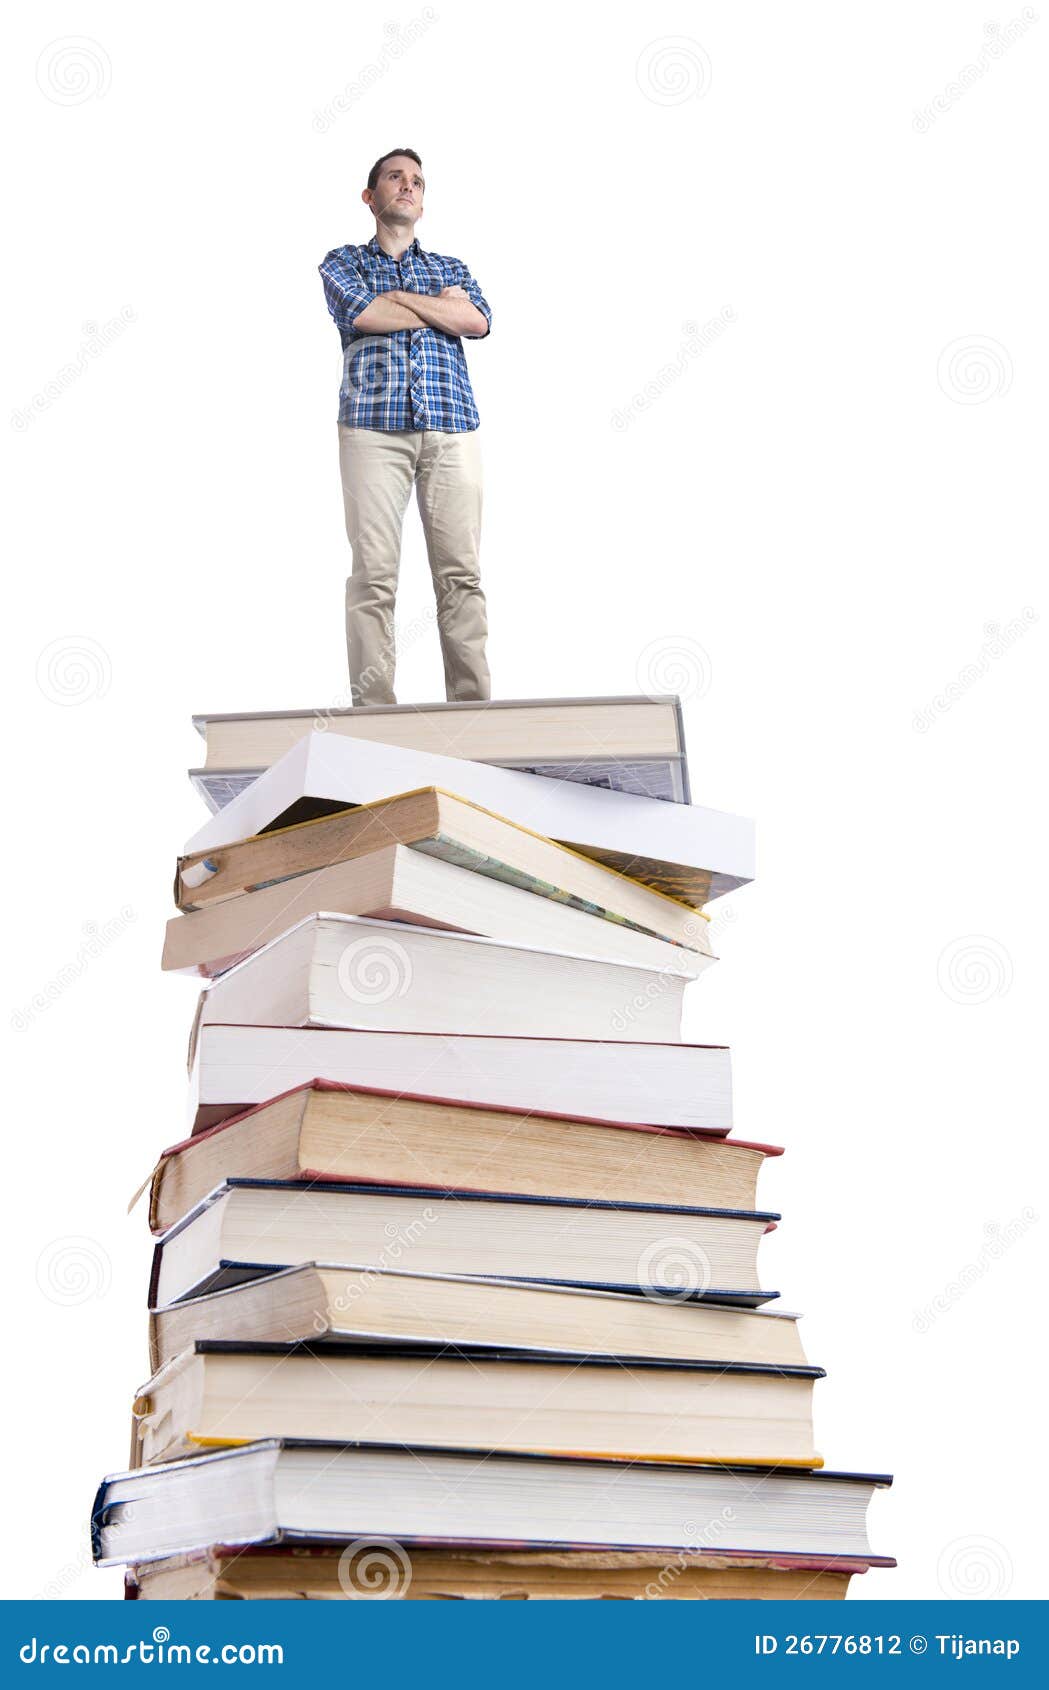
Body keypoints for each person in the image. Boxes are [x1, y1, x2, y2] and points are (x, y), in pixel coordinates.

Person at [319, 148, 493, 706]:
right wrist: (434, 308)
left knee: (460, 576)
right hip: (372, 431)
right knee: (373, 578)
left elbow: (477, 320)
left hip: (451, 428)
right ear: (370, 197)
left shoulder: (452, 268)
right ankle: (374, 718)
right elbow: (364, 314)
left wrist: (397, 298)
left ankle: (473, 714)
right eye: (395, 177)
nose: (408, 185)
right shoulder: (342, 262)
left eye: (417, 180)